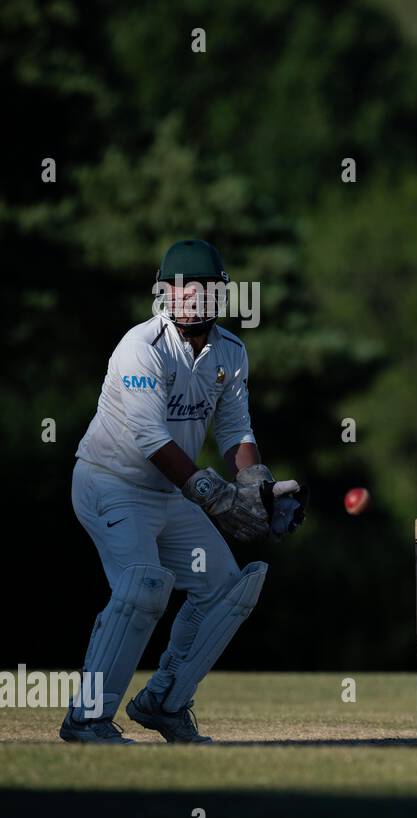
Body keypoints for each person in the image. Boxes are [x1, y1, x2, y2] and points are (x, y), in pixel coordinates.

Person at [63, 239, 305, 744]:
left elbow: (237, 429)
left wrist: (257, 489)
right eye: (178, 289)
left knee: (227, 588)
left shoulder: (231, 352)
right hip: (111, 484)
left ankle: (164, 702)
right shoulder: (140, 348)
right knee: (144, 586)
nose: (189, 298)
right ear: (163, 293)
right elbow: (152, 439)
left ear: (220, 293)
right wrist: (213, 496)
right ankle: (86, 718)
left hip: (169, 496)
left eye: (201, 289)